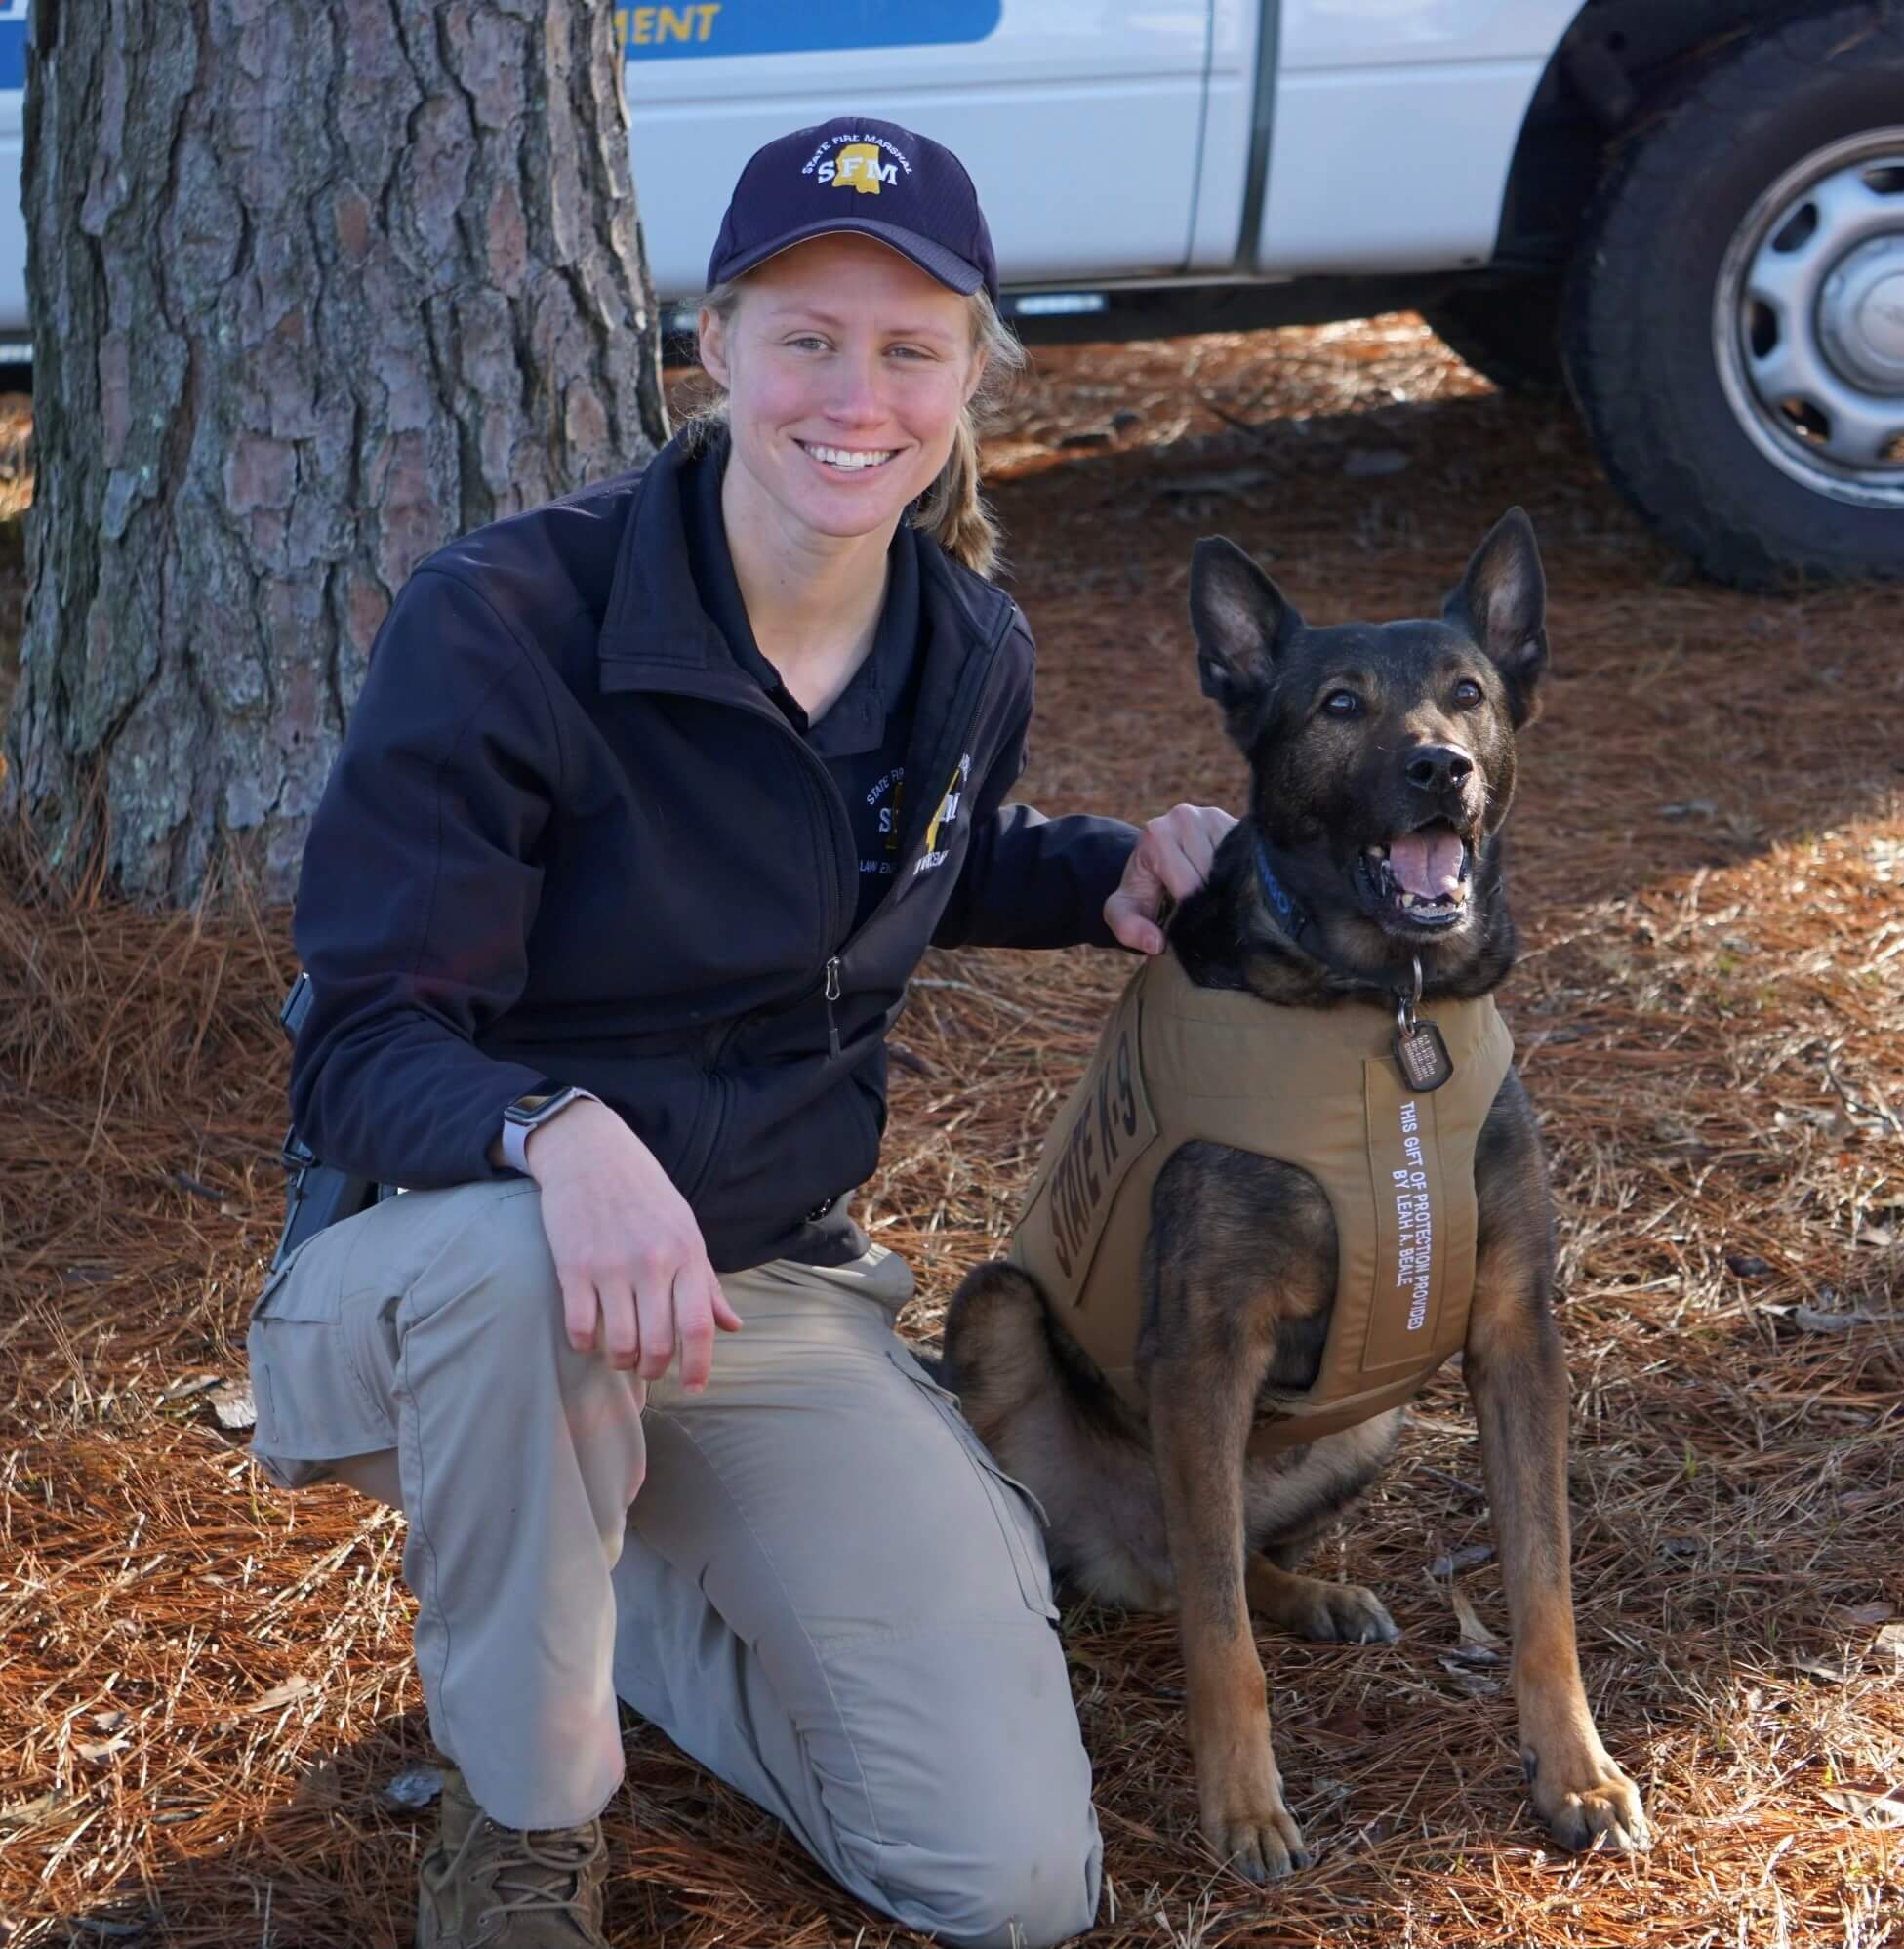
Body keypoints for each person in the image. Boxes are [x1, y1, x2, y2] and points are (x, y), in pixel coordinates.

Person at [247, 115, 1232, 1949]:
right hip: (449, 1278)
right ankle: (523, 1820)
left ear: (965, 377)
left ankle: (598, 1599)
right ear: (714, 347)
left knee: (1006, 1883)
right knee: (518, 1274)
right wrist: (555, 1132)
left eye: (909, 347)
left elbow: (890, 851)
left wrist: (1118, 868)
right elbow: (361, 1037)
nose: (853, 394)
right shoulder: (508, 622)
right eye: (806, 337)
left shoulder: (962, 646)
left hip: (753, 1288)